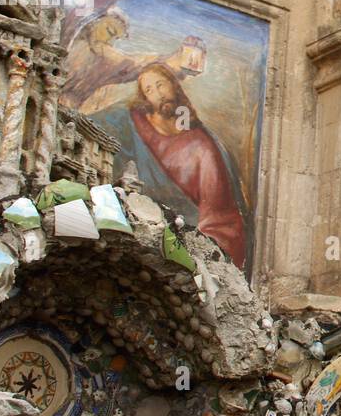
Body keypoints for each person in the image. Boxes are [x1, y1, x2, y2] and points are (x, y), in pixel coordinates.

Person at [100, 63, 247, 266]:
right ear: (144, 98)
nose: (158, 94)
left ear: (174, 85)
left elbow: (218, 216)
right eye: (149, 90)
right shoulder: (131, 123)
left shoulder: (201, 146)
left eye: (161, 84)